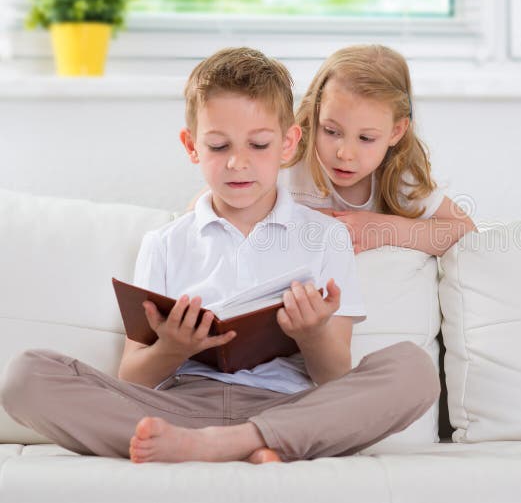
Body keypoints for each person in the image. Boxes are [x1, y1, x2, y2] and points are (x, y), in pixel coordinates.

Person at [0, 47, 439, 464]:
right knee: (25, 376)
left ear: (288, 144)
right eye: (219, 146)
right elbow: (133, 378)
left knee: (414, 371)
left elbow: (334, 379)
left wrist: (310, 333)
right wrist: (173, 348)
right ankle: (252, 446)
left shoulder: (326, 237)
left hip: (288, 408)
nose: (237, 163)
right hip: (179, 409)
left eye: (258, 145)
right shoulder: (165, 243)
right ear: (191, 145)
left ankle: (234, 442)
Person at [281, 44, 475, 255]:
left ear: (396, 132)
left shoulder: (399, 176)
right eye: (331, 131)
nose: (345, 154)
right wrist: (304, 221)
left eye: (366, 138)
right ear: (314, 114)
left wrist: (384, 229)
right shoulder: (288, 166)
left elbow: (465, 231)